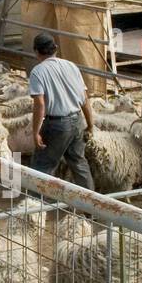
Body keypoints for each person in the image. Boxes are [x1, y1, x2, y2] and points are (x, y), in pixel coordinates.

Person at [28, 32, 95, 190]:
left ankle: (37, 207)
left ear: (36, 51)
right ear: (55, 48)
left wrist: (36, 131)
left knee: (42, 165)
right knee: (79, 163)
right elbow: (84, 98)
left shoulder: (37, 72)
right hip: (77, 120)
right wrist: (90, 124)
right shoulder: (71, 66)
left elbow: (40, 104)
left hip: (57, 125)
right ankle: (91, 206)